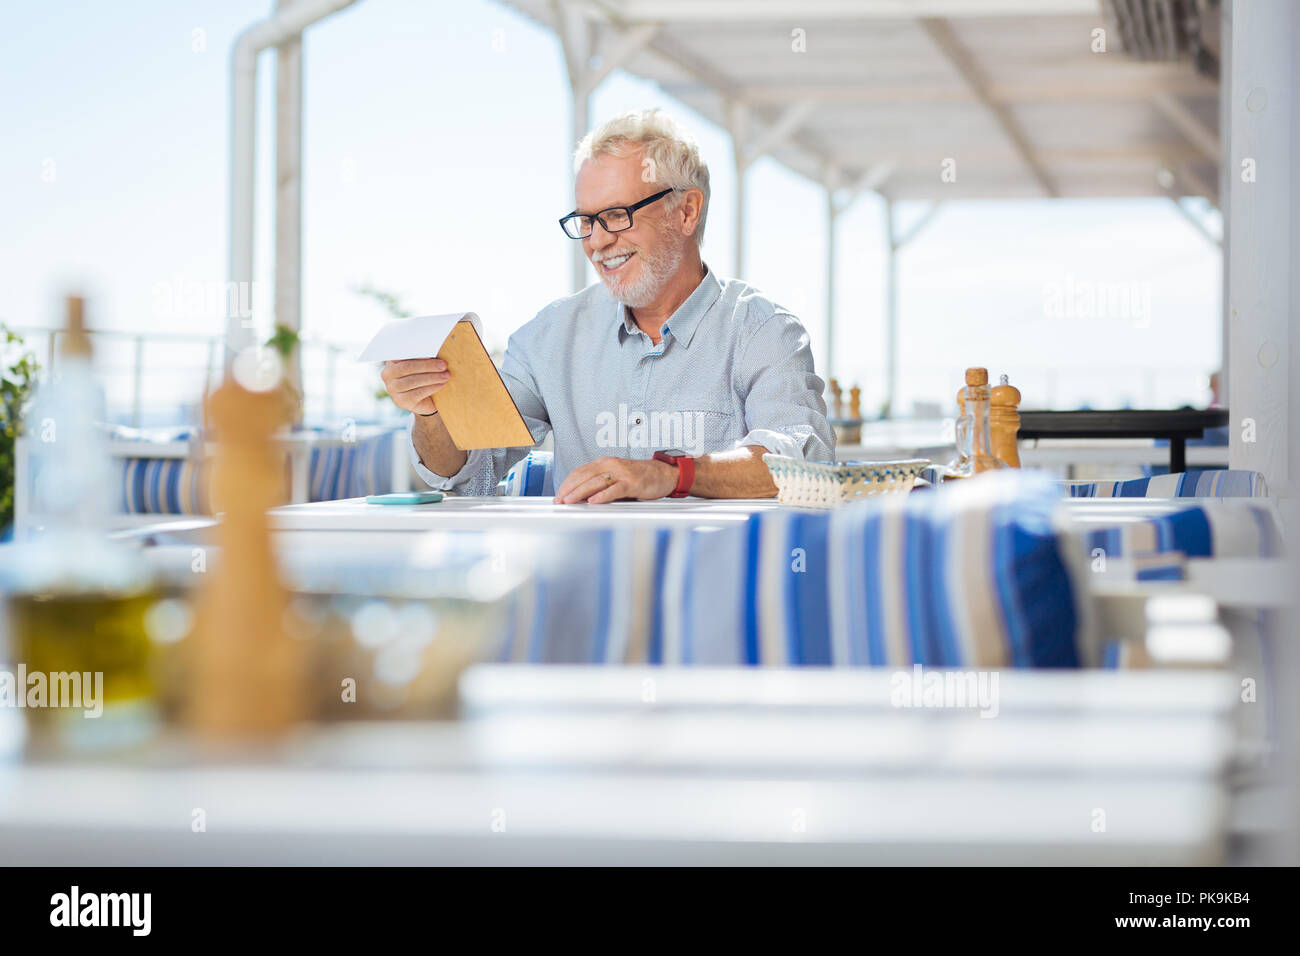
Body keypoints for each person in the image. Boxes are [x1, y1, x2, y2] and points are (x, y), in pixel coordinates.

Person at [382, 109, 833, 503]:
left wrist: (673, 475)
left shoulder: (763, 330)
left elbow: (804, 461)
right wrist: (431, 411)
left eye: (617, 215)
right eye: (585, 221)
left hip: (717, 581)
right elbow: (468, 475)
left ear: (686, 212)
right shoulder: (551, 336)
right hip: (582, 585)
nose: (597, 241)